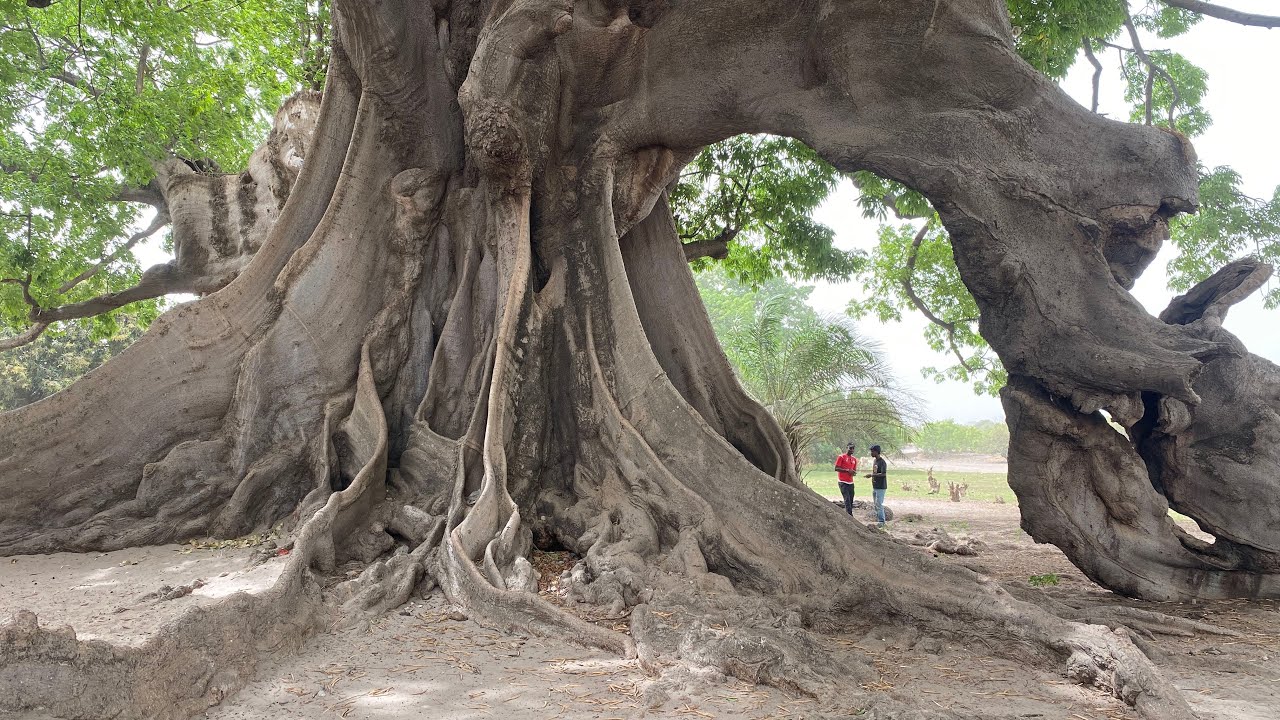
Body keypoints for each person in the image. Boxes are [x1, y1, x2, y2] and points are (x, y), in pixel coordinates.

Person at [865, 444, 888, 528]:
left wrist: (872, 475)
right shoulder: (875, 461)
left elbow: (883, 474)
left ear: (876, 452)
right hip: (875, 486)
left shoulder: (882, 462)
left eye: (872, 451)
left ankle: (882, 522)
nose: (871, 453)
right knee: (876, 504)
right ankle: (879, 520)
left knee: (879, 504)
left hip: (881, 487)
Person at [834, 443, 858, 515]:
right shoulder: (841, 457)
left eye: (853, 448)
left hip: (850, 482)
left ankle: (848, 514)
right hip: (843, 482)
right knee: (847, 499)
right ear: (846, 448)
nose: (852, 450)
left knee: (851, 500)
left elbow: (854, 470)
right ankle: (850, 516)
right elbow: (836, 468)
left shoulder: (854, 459)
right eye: (850, 448)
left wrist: (853, 473)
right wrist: (847, 470)